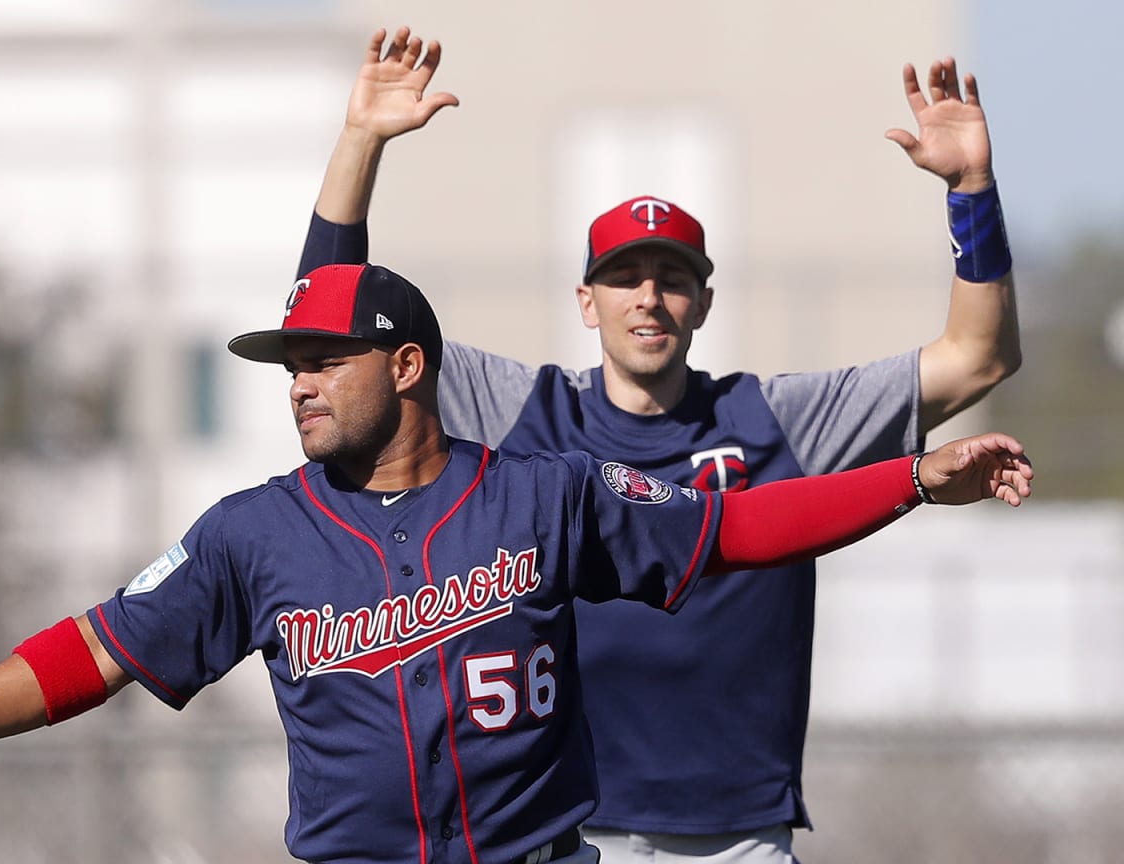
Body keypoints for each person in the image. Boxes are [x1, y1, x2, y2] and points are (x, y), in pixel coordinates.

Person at [0, 262, 1032, 864]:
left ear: (406, 367)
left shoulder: (543, 491)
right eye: (290, 365)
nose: (300, 383)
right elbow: (98, 649)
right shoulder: (252, 532)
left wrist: (912, 479)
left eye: (326, 359)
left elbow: (736, 529)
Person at [296, 28, 1022, 863]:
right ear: (586, 300)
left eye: (672, 278)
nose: (648, 297)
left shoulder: (776, 418)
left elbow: (979, 356)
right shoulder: (523, 412)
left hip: (737, 837)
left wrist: (971, 188)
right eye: (623, 277)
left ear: (703, 303)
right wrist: (361, 141)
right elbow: (333, 320)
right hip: (561, 832)